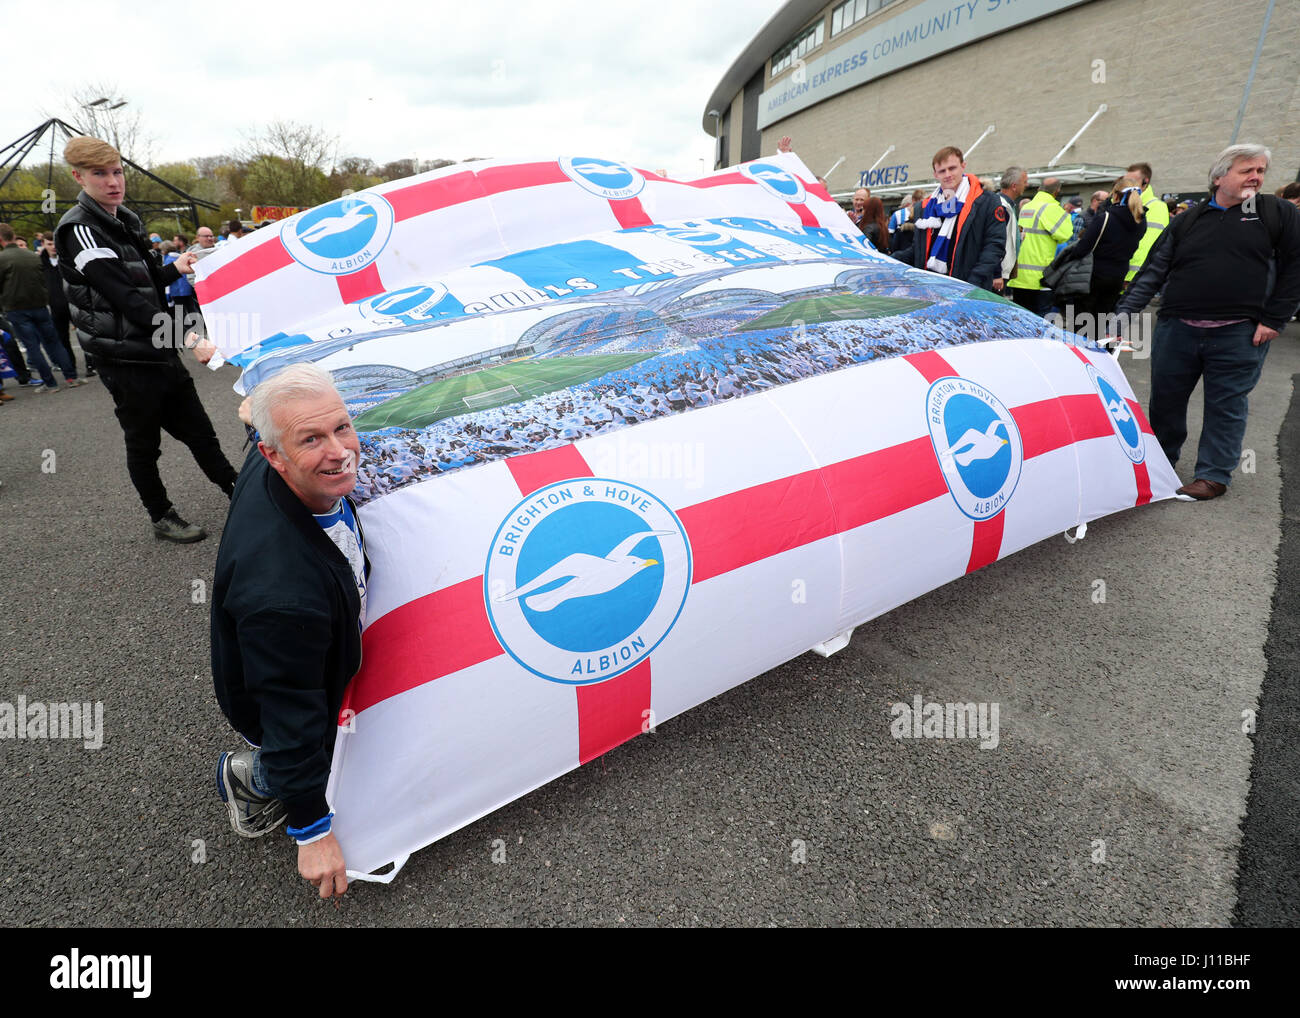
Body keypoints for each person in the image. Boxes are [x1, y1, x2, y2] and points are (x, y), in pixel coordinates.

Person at [211, 363, 369, 899]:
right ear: (273, 455)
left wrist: (253, 410)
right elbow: (291, 708)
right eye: (312, 439)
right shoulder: (285, 595)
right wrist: (312, 829)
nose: (339, 450)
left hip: (301, 653)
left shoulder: (272, 459)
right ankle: (251, 780)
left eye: (342, 427)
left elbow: (263, 427)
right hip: (286, 688)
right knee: (308, 747)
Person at [54, 135, 239, 542]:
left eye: (116, 171)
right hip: (123, 358)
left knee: (200, 432)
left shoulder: (128, 219)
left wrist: (178, 267)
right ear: (78, 177)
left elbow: (149, 277)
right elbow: (126, 299)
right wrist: (191, 339)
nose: (112, 181)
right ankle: (161, 515)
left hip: (156, 348)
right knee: (144, 444)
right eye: (99, 174)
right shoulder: (78, 229)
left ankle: (239, 494)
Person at [1112, 144, 1300, 501]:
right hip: (1176, 329)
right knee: (1165, 401)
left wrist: (1275, 319)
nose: (1257, 177)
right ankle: (1161, 464)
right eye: (1247, 170)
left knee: (1226, 405)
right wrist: (1122, 316)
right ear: (1219, 177)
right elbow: (1153, 272)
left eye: (1260, 171)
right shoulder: (1188, 219)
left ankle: (1213, 475)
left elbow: (1295, 267)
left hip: (1239, 332)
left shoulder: (1277, 213)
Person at [896, 146, 1005, 290]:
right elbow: (918, 250)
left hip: (968, 287)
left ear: (963, 166)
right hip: (929, 287)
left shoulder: (987, 201)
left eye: (952, 168)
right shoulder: (924, 208)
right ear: (936, 174)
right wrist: (886, 259)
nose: (947, 174)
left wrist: (974, 282)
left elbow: (994, 246)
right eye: (942, 171)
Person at [1055, 175, 1145, 340]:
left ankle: (1081, 356)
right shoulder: (1140, 221)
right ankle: (1099, 354)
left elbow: (1083, 248)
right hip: (1118, 275)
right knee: (1103, 320)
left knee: (1082, 323)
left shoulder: (1106, 217)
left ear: (1115, 195)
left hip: (1093, 275)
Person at [0, 222, 83, 392]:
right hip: (40, 305)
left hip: (17, 308)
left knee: (32, 346)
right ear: (13, 236)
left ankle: (50, 383)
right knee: (54, 342)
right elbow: (42, 281)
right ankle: (70, 377)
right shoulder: (32, 256)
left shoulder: (3, 259)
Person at [1007, 177, 1073, 315]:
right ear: (1057, 191)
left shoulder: (1027, 207)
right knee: (1041, 322)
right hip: (1040, 278)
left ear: (1039, 188)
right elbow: (1065, 235)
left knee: (1022, 319)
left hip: (1019, 276)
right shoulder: (1052, 209)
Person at [39, 234, 93, 378]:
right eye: (49, 244)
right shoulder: (40, 263)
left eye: (54, 243)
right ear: (43, 244)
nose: (53, 247)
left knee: (84, 334)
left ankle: (91, 365)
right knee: (62, 338)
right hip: (56, 306)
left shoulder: (67, 258)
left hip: (74, 302)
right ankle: (70, 366)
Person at [1123, 161, 1171, 284]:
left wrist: (1130, 276)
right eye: (1125, 180)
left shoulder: (1156, 207)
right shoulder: (1119, 202)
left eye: (1132, 181)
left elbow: (1147, 244)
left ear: (1145, 182)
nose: (1126, 185)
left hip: (1131, 278)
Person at [992, 166, 1028, 294]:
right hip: (997, 275)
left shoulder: (1007, 206)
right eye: (1024, 182)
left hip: (1001, 272)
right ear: (1014, 186)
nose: (1027, 185)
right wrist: (996, 273)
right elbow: (994, 241)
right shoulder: (1002, 207)